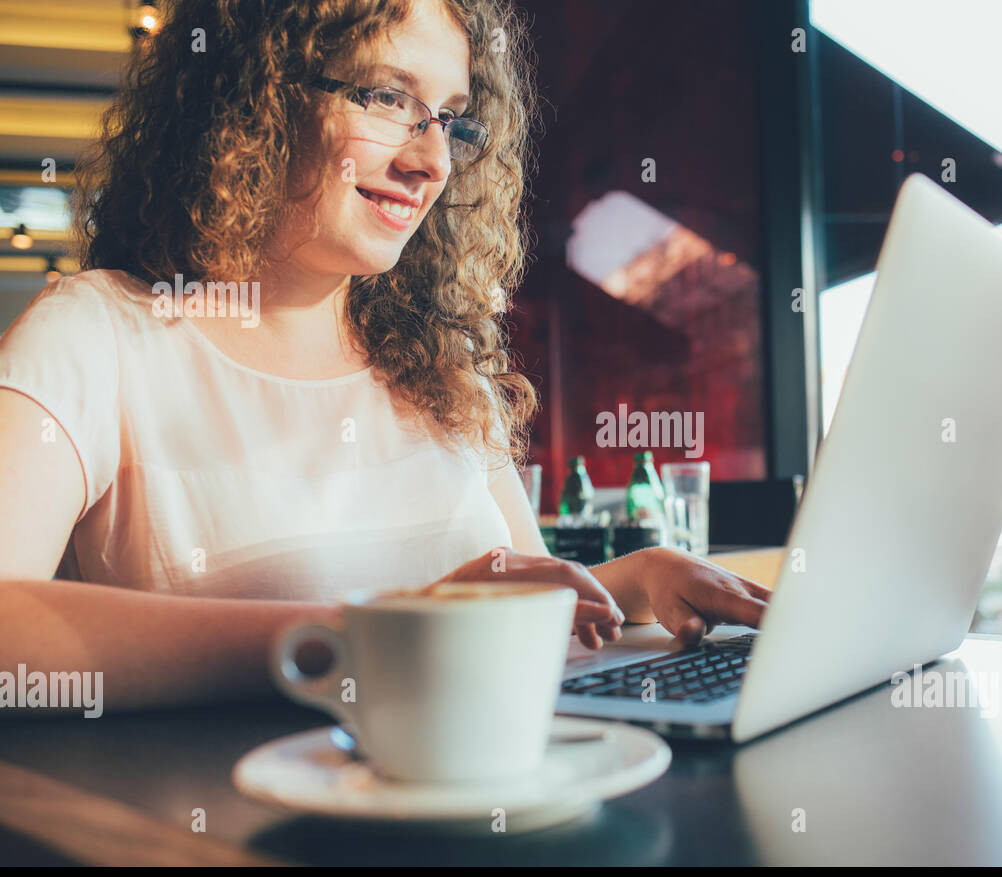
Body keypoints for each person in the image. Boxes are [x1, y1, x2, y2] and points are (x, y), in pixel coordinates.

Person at [0, 0, 769, 711]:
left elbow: (518, 595)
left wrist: (635, 579)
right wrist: (369, 634)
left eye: (451, 118)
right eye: (386, 97)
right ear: (253, 99)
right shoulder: (96, 337)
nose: (433, 158)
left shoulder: (443, 368)